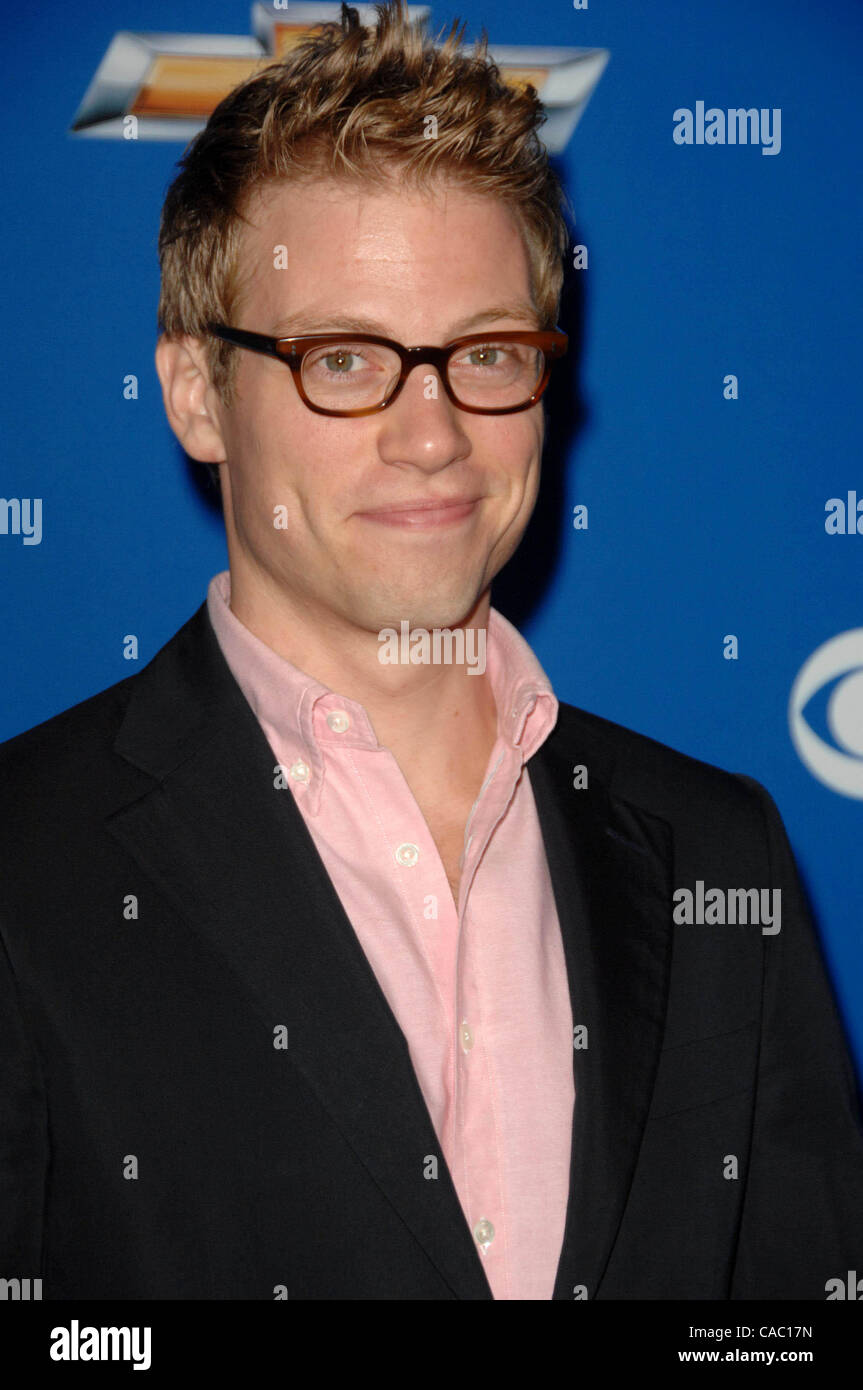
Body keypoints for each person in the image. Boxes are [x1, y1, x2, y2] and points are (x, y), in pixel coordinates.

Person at [1, 0, 862, 1301]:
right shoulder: (22, 861)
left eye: (487, 352)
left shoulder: (720, 850)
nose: (433, 430)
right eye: (344, 358)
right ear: (194, 393)